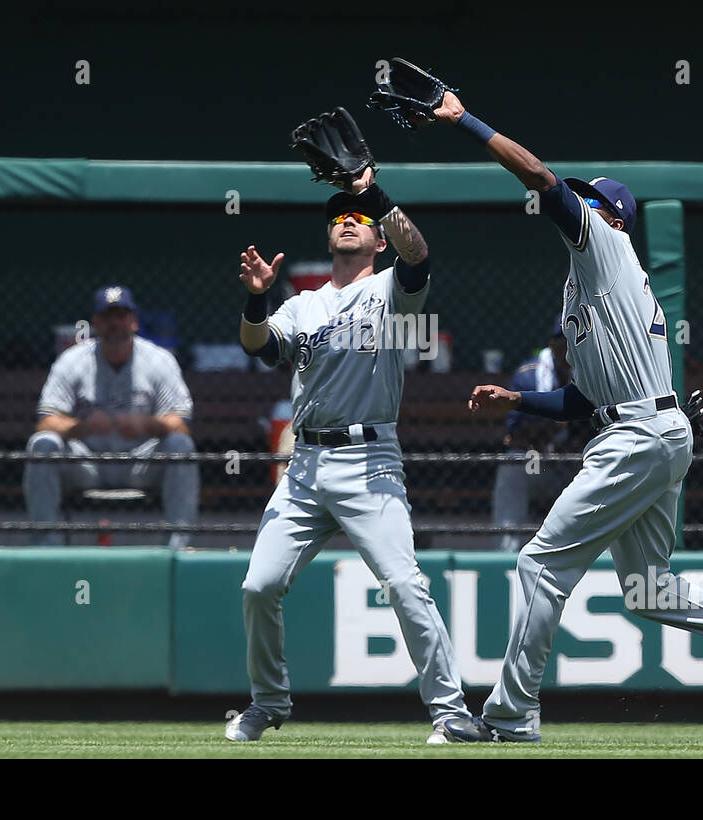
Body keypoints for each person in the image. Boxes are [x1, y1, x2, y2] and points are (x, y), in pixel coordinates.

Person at [416, 91, 703, 743]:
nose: (583, 206)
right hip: (646, 429)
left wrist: (462, 120)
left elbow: (542, 181)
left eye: (594, 202)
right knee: (649, 591)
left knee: (541, 564)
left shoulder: (606, 250)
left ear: (616, 220)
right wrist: (520, 400)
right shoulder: (586, 287)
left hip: (638, 435)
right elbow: (585, 398)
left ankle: (511, 713)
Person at [225, 165, 473, 744]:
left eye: (357, 218)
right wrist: (257, 299)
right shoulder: (302, 305)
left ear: (378, 237)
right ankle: (267, 701)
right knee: (258, 587)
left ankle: (451, 711)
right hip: (305, 466)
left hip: (371, 461)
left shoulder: (389, 288)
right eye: (337, 217)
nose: (346, 222)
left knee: (405, 585)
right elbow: (259, 347)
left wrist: (372, 194)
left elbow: (419, 253)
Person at [25, 286, 199, 548]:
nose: (115, 323)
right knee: (42, 444)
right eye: (108, 317)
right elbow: (45, 421)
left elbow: (181, 424)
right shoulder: (72, 360)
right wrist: (81, 428)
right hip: (87, 463)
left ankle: (179, 548)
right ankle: (47, 546)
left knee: (180, 446)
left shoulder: (159, 360)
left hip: (140, 463)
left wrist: (145, 425)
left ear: (134, 322)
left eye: (122, 316)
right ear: (95, 323)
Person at [491, 321, 592, 551]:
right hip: (537, 464)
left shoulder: (593, 374)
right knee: (512, 465)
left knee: (607, 463)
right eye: (561, 340)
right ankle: (505, 552)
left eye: (571, 340)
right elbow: (514, 436)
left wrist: (570, 439)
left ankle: (599, 555)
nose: (566, 347)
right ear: (551, 344)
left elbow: (599, 431)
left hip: (577, 466)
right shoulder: (529, 375)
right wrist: (553, 426)